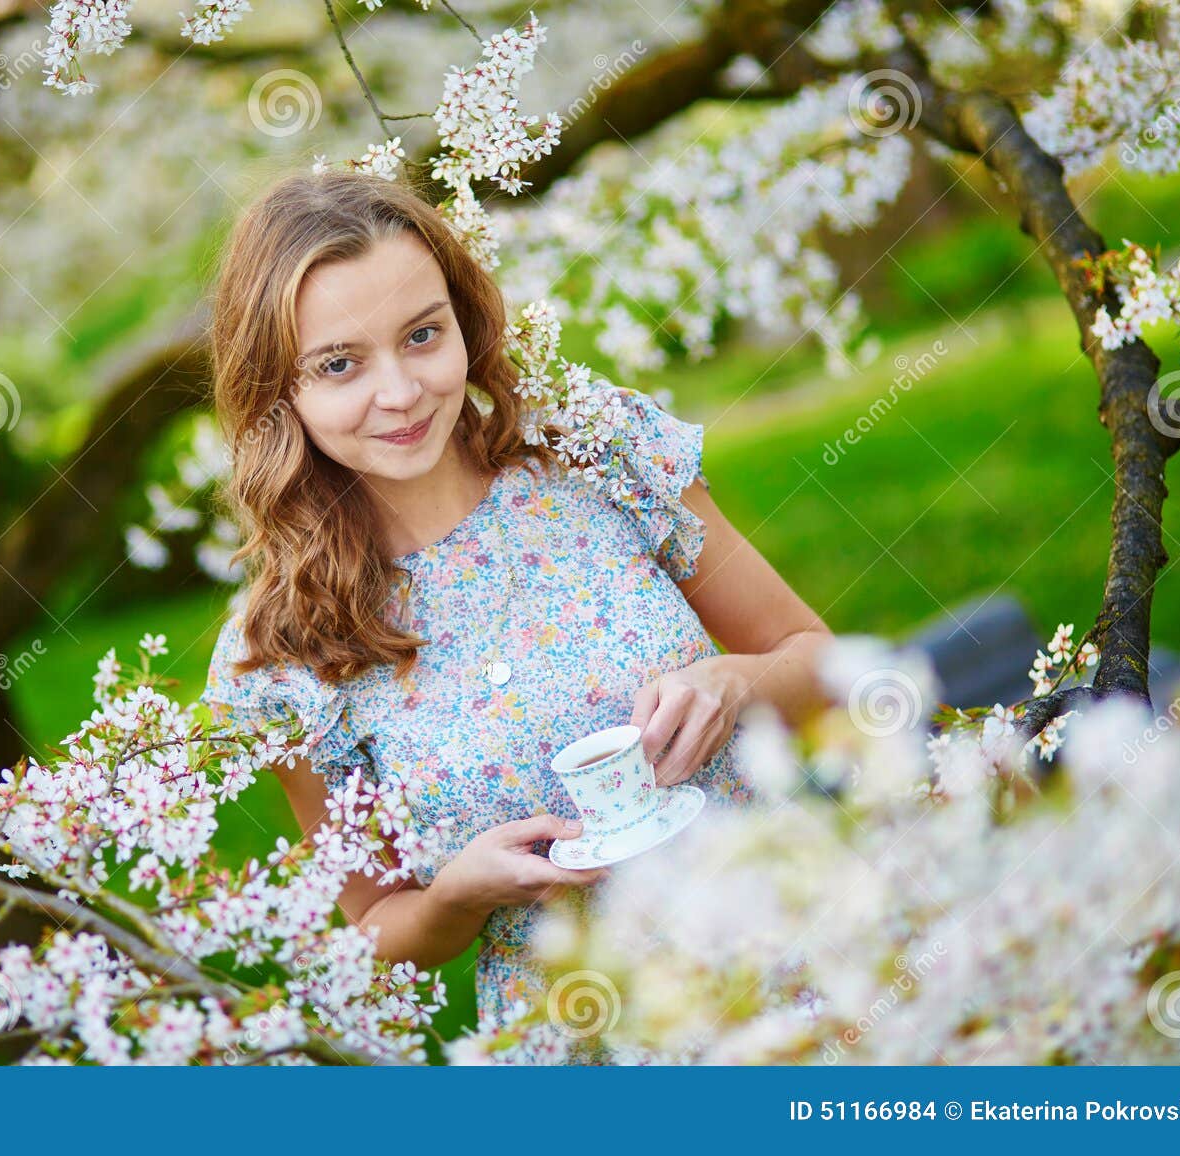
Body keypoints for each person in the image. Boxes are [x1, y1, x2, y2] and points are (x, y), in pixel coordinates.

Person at [198, 168, 834, 1063]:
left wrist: (735, 681)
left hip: (810, 954)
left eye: (423, 336)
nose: (401, 392)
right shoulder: (288, 652)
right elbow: (370, 926)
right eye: (339, 364)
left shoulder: (596, 453)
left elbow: (827, 666)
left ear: (464, 320)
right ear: (278, 388)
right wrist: (456, 899)